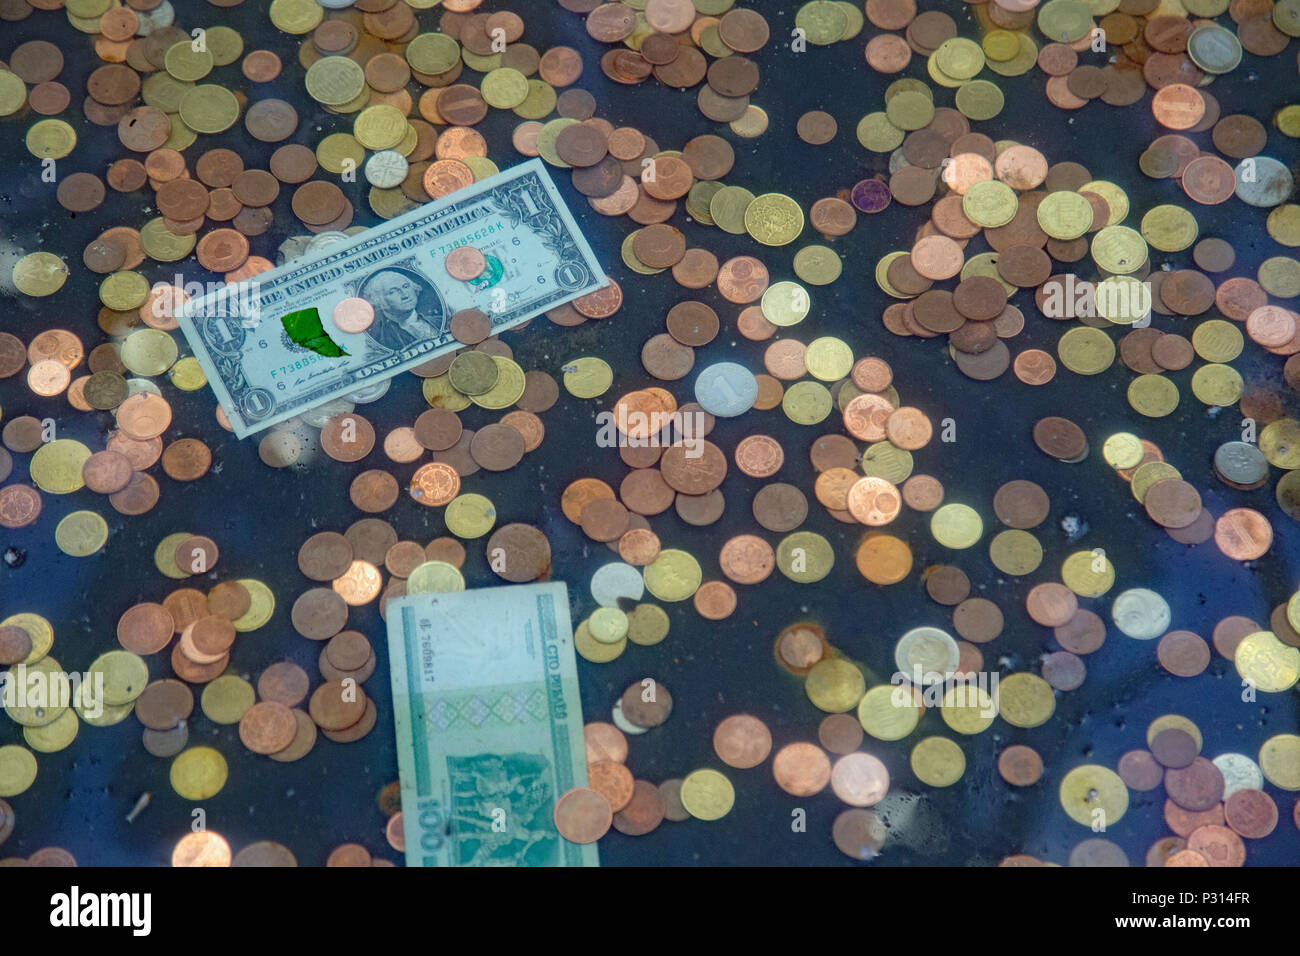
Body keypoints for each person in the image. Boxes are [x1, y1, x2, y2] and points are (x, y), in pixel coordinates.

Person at [361, 268, 447, 351]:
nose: (405, 295)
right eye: (392, 292)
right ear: (379, 300)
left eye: (406, 286)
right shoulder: (382, 340)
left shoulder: (440, 320)